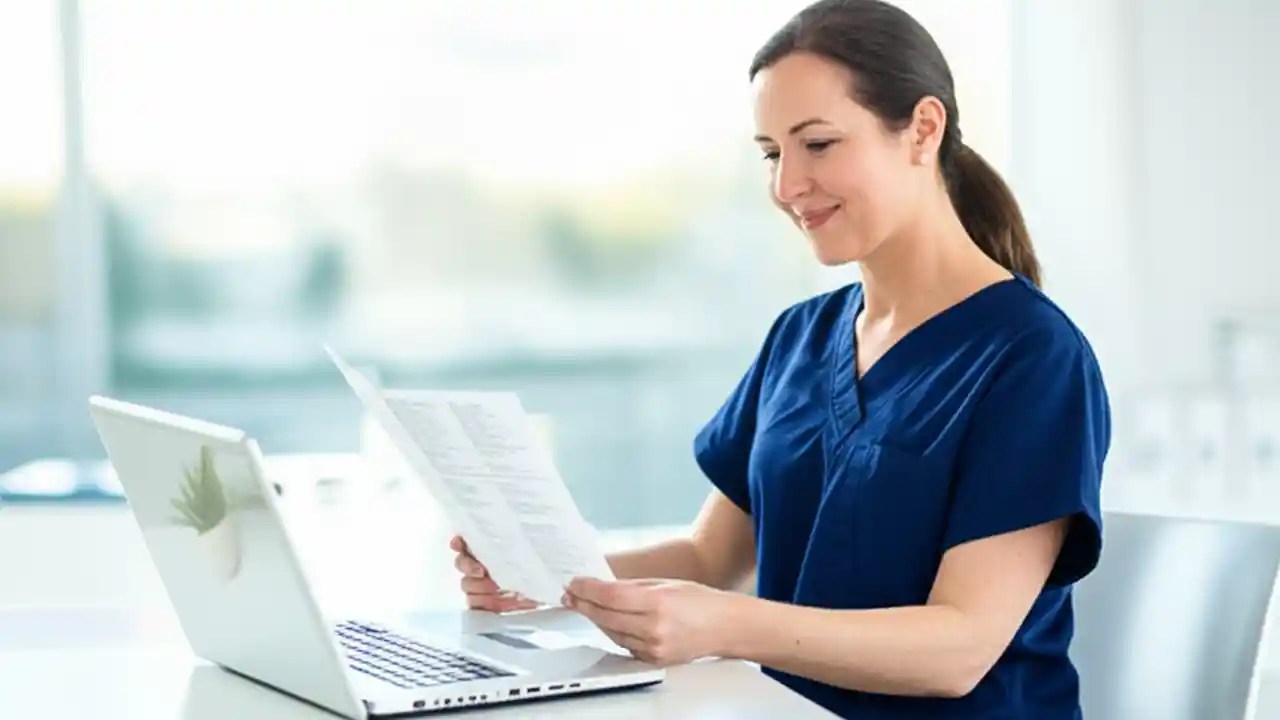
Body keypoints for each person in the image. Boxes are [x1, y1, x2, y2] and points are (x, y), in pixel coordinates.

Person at [450, 0, 1110, 716]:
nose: (786, 186)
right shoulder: (799, 338)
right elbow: (711, 561)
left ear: (923, 129)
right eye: (772, 153)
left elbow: (960, 649)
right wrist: (554, 579)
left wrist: (727, 624)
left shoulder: (1032, 357)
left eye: (818, 144)